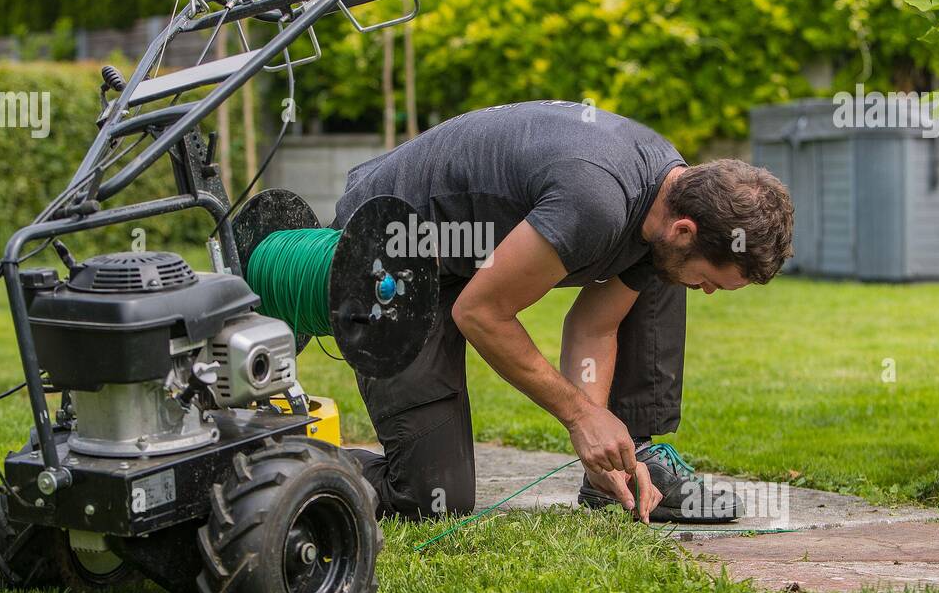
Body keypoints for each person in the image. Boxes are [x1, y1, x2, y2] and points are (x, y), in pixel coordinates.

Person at [335, 100, 794, 523]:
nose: (709, 293)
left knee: (668, 274)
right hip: (389, 249)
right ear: (685, 228)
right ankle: (297, 464)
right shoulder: (596, 202)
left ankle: (626, 458)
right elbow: (480, 313)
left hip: (468, 255)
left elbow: (595, 327)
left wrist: (597, 446)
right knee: (431, 498)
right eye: (714, 280)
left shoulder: (672, 196)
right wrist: (580, 417)